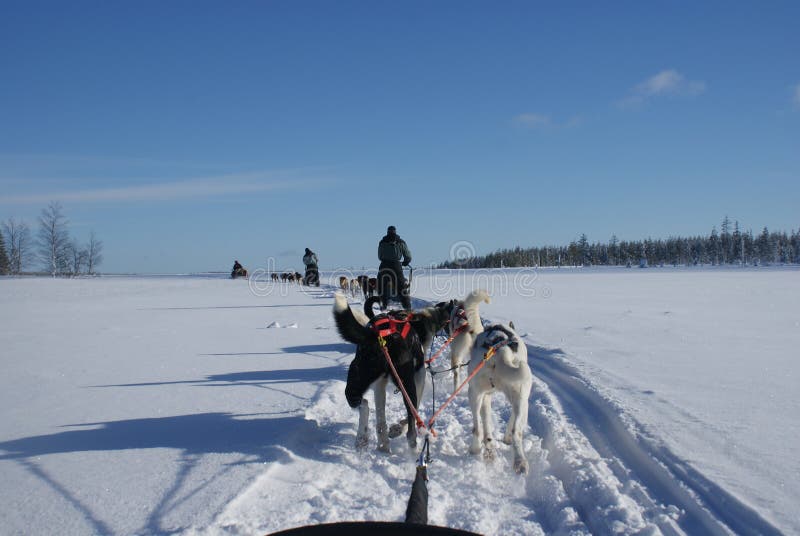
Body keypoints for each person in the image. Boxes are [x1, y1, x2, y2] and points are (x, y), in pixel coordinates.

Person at [378, 225, 412, 309]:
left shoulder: (382, 242)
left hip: (384, 266)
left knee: (381, 287)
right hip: (396, 266)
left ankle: (383, 305)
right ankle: (407, 308)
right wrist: (405, 262)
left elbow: (379, 256)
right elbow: (408, 256)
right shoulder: (401, 242)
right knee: (402, 288)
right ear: (395, 232)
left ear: (387, 232)